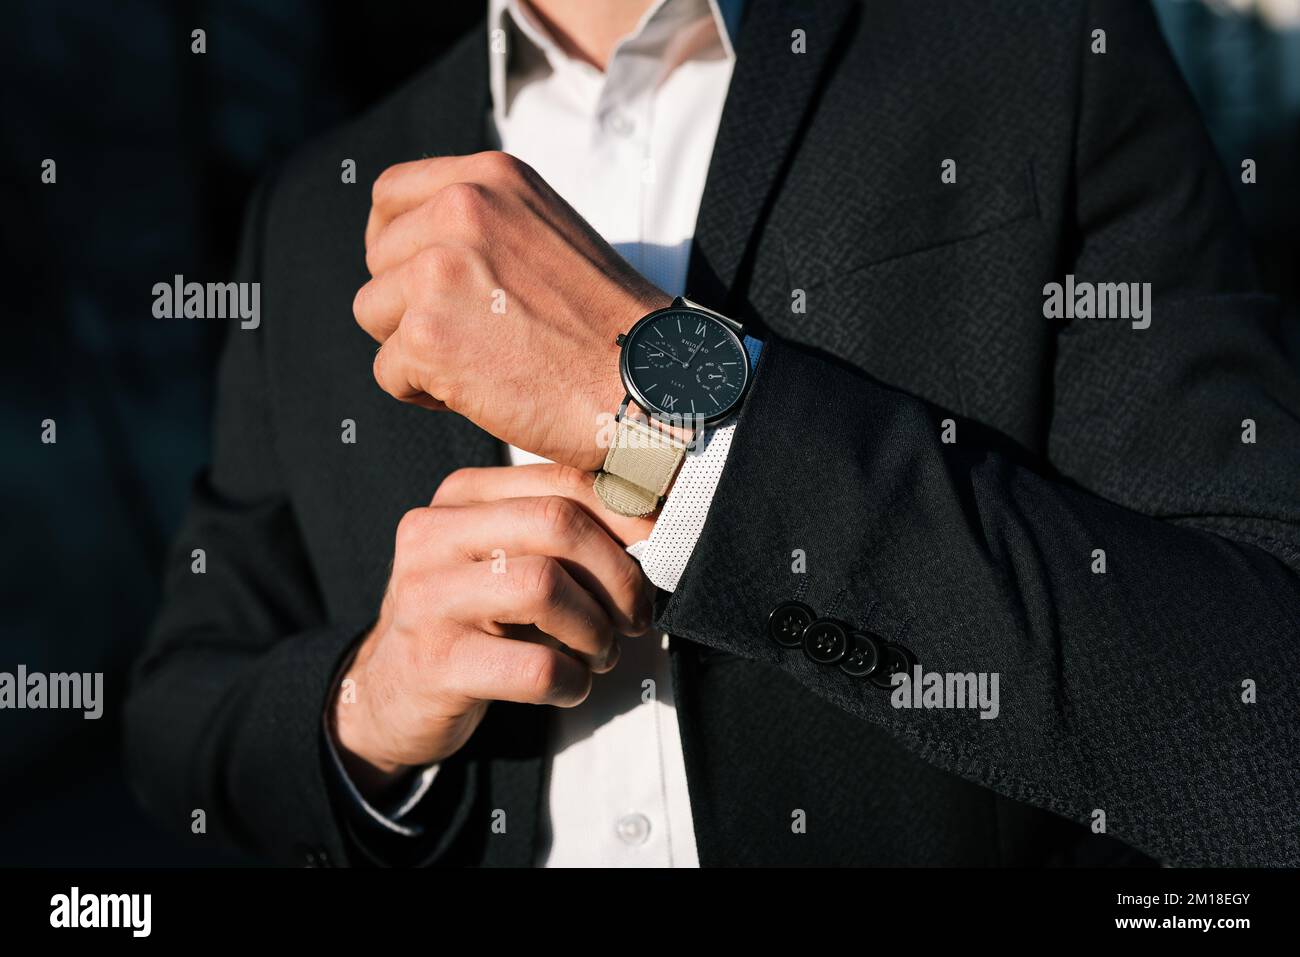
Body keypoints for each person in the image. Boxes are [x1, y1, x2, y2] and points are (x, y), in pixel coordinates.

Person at [125, 0, 1300, 867]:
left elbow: (1262, 721)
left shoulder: (1038, 51)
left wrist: (674, 415)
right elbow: (180, 712)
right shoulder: (317, 208)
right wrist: (368, 707)